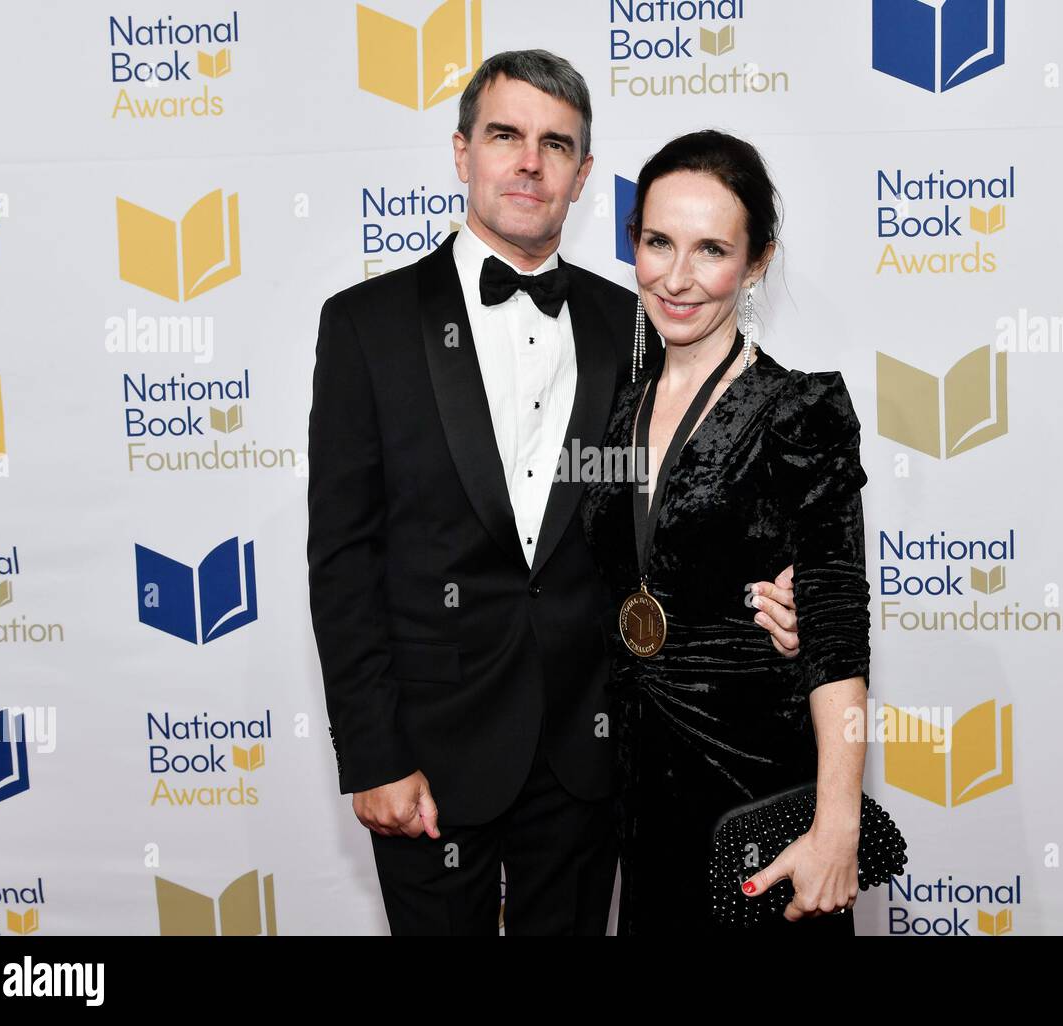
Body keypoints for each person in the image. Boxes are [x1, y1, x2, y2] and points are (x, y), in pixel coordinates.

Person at [305, 52, 799, 936]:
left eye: (555, 144)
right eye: (506, 136)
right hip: (428, 755)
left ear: (583, 176)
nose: (530, 162)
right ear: (462, 153)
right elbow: (342, 558)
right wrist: (372, 755)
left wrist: (775, 587)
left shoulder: (634, 325)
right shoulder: (364, 325)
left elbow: (677, 510)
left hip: (588, 751)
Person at [580, 130, 872, 934]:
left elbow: (838, 630)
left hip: (755, 783)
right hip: (640, 785)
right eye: (658, 243)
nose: (677, 278)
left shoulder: (798, 412)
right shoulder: (612, 414)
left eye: (711, 250)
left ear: (756, 262)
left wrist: (837, 825)